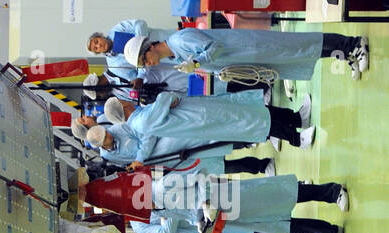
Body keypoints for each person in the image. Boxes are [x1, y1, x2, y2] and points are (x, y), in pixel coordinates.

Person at [86, 90, 313, 174]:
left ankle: (296, 118)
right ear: (123, 106)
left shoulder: (139, 120)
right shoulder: (141, 120)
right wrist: (166, 102)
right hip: (202, 120)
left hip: (202, 115)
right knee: (250, 121)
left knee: (250, 113)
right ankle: (296, 138)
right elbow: (166, 98)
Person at [127, 173, 349, 233]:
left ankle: (333, 192)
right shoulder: (148, 215)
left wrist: (203, 202)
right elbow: (172, 227)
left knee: (281, 195)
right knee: (279, 226)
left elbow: (200, 177)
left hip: (229, 198)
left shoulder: (161, 186)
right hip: (224, 220)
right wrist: (197, 219)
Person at [130, 29, 369, 83]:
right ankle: (345, 54)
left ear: (149, 48)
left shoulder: (180, 40)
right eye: (144, 65)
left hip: (248, 46)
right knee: (299, 56)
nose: (148, 65)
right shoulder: (174, 56)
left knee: (300, 45)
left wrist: (196, 63)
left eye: (145, 60)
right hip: (247, 57)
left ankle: (353, 44)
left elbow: (213, 47)